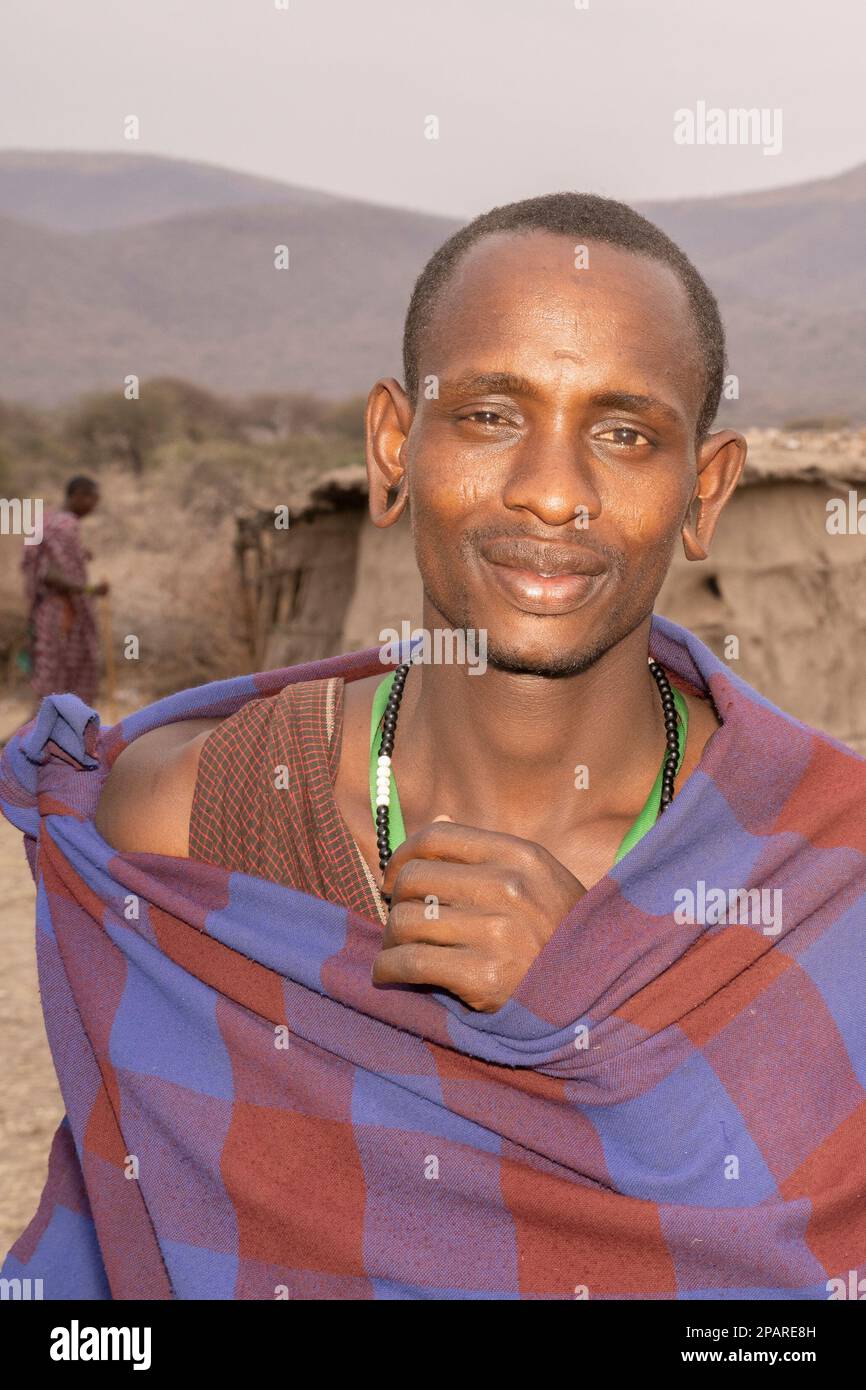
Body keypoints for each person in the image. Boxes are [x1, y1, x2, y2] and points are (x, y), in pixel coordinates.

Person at [5, 194, 864, 1301]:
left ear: (701, 492)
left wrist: (603, 1028)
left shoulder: (822, 871)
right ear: (393, 444)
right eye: (491, 416)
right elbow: (119, 1246)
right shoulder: (191, 826)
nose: (551, 490)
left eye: (623, 433)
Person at [21, 475, 108, 709]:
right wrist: (90, 589)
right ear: (78, 495)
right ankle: (28, 740)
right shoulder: (65, 526)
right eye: (92, 499)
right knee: (61, 686)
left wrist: (80, 553)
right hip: (61, 614)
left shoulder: (47, 520)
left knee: (53, 685)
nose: (94, 505)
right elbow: (50, 575)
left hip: (45, 612)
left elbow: (45, 559)